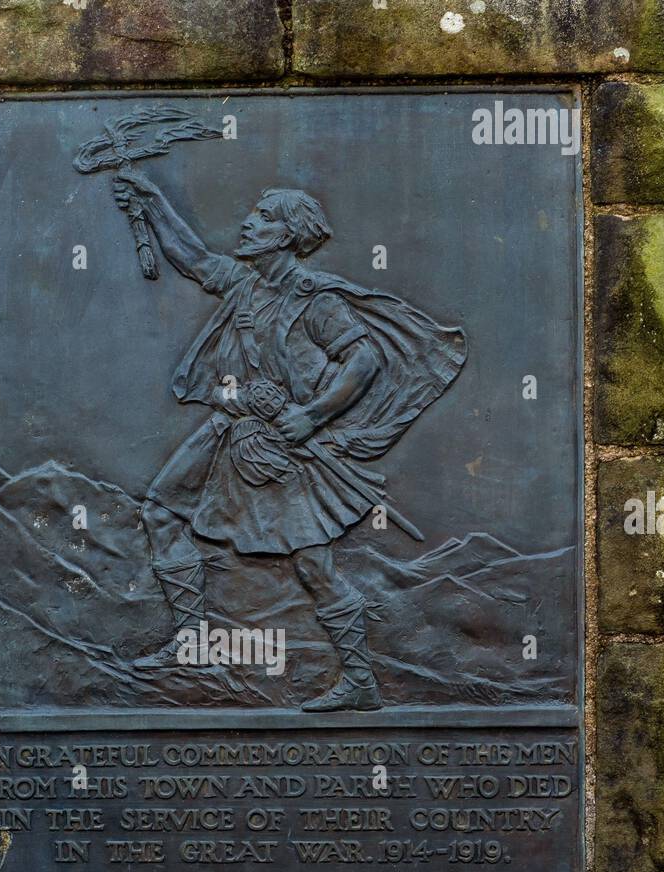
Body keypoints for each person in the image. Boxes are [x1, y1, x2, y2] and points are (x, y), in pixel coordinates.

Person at [114, 170, 466, 711]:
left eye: (263, 217)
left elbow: (363, 359)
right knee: (161, 511)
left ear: (286, 234)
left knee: (312, 565)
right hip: (231, 429)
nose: (248, 223)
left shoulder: (312, 298)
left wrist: (311, 416)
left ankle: (359, 681)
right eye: (253, 214)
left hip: (283, 446)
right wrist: (151, 200)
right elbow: (192, 257)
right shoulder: (244, 284)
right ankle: (191, 643)